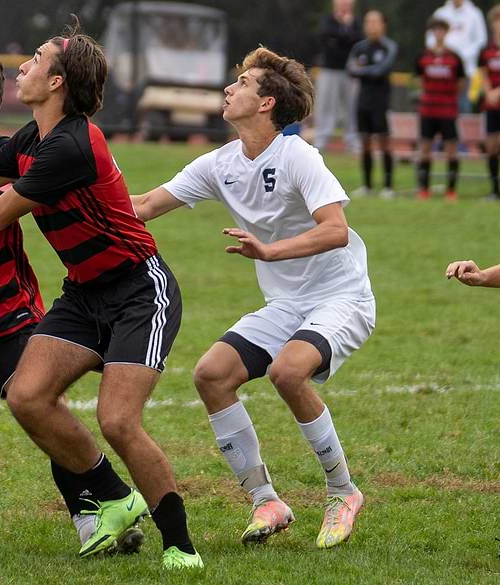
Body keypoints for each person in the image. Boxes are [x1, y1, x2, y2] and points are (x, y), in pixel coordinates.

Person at [0, 23, 203, 570]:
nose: (20, 68)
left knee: (118, 420)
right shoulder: (32, 137)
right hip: (83, 294)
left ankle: (180, 545)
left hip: (137, 291)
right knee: (28, 396)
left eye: (32, 60)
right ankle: (116, 498)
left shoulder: (71, 145)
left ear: (56, 82)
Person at [131, 47, 375, 550]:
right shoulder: (218, 164)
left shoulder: (298, 156)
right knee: (211, 375)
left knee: (289, 372)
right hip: (287, 304)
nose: (228, 89)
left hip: (341, 297)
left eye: (241, 83)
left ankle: (342, 491)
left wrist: (271, 250)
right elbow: (145, 206)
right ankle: (266, 500)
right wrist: (63, 190)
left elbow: (335, 229)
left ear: (266, 103)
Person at [347, 10, 398, 199]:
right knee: (365, 143)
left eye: (375, 21)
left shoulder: (389, 47)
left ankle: (388, 186)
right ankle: (367, 185)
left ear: (383, 25)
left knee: (384, 143)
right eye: (368, 21)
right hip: (362, 102)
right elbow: (350, 70)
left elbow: (381, 70)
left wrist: (364, 70)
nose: (371, 25)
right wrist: (369, 71)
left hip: (381, 102)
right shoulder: (359, 47)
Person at [416, 18, 466, 201]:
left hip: (447, 109)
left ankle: (451, 190)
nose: (438, 33)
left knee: (451, 148)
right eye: (435, 30)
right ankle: (424, 189)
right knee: (425, 148)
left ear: (446, 32)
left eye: (441, 30)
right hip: (428, 109)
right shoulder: (423, 56)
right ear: (431, 33)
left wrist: (449, 98)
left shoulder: (454, 57)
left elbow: (460, 82)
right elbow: (419, 79)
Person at [314, 0, 362, 152]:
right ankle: (321, 139)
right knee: (326, 105)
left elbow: (357, 41)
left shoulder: (355, 22)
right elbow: (326, 37)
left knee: (351, 106)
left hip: (350, 72)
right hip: (329, 70)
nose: (344, 5)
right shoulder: (328, 20)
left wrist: (344, 32)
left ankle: (352, 140)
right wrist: (344, 33)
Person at [428, 0, 487, 111]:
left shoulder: (474, 14)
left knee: (462, 106)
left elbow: (481, 41)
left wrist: (459, 57)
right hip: (440, 71)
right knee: (439, 108)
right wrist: (444, 55)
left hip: (465, 71)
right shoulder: (441, 13)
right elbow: (430, 39)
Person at [477, 5, 500, 200]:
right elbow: (483, 74)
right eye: (497, 21)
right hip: (492, 105)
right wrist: (489, 93)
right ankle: (494, 189)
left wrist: (497, 91)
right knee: (491, 146)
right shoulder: (486, 50)